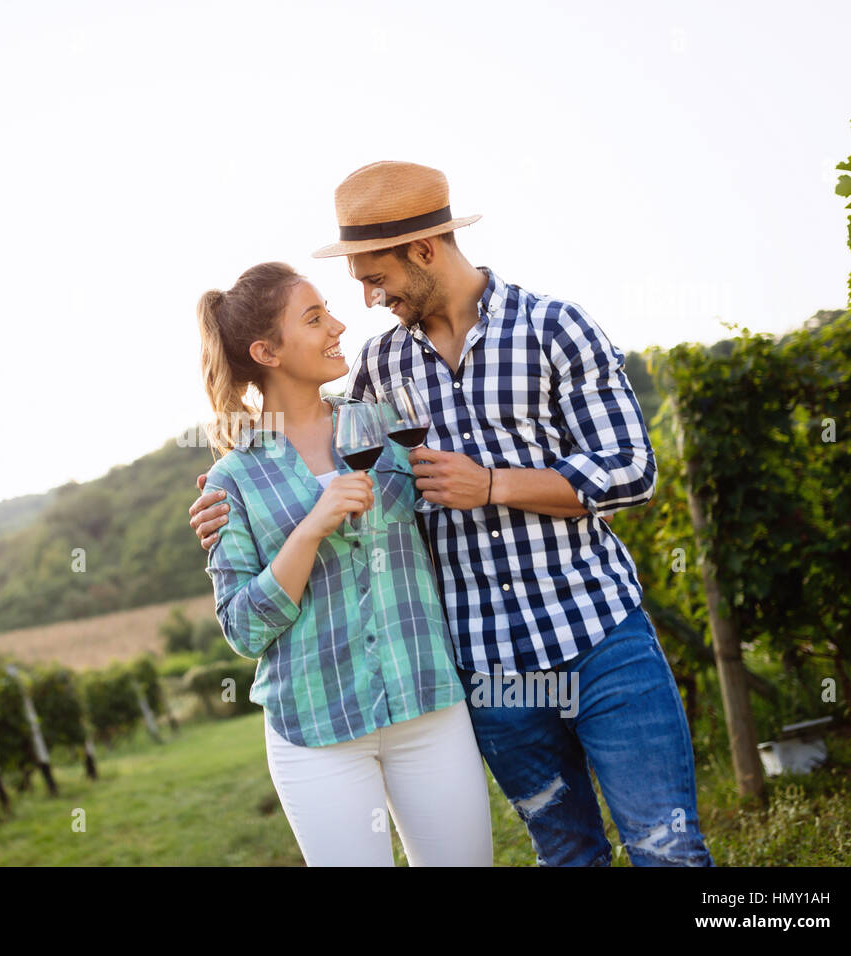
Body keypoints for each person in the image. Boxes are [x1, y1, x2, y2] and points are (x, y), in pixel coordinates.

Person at [190, 161, 715, 867]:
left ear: (425, 251)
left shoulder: (554, 328)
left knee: (669, 849)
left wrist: (494, 484)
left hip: (598, 634)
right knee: (567, 855)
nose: (369, 301)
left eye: (376, 279)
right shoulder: (381, 369)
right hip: (487, 663)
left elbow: (630, 469)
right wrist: (236, 490)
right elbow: (308, 437)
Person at [196, 260, 492, 866]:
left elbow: (450, 516)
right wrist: (312, 526)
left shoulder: (387, 426)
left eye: (327, 310)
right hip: (316, 729)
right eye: (313, 318)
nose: (337, 325)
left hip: (425, 700)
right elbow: (244, 629)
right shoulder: (233, 478)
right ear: (266, 352)